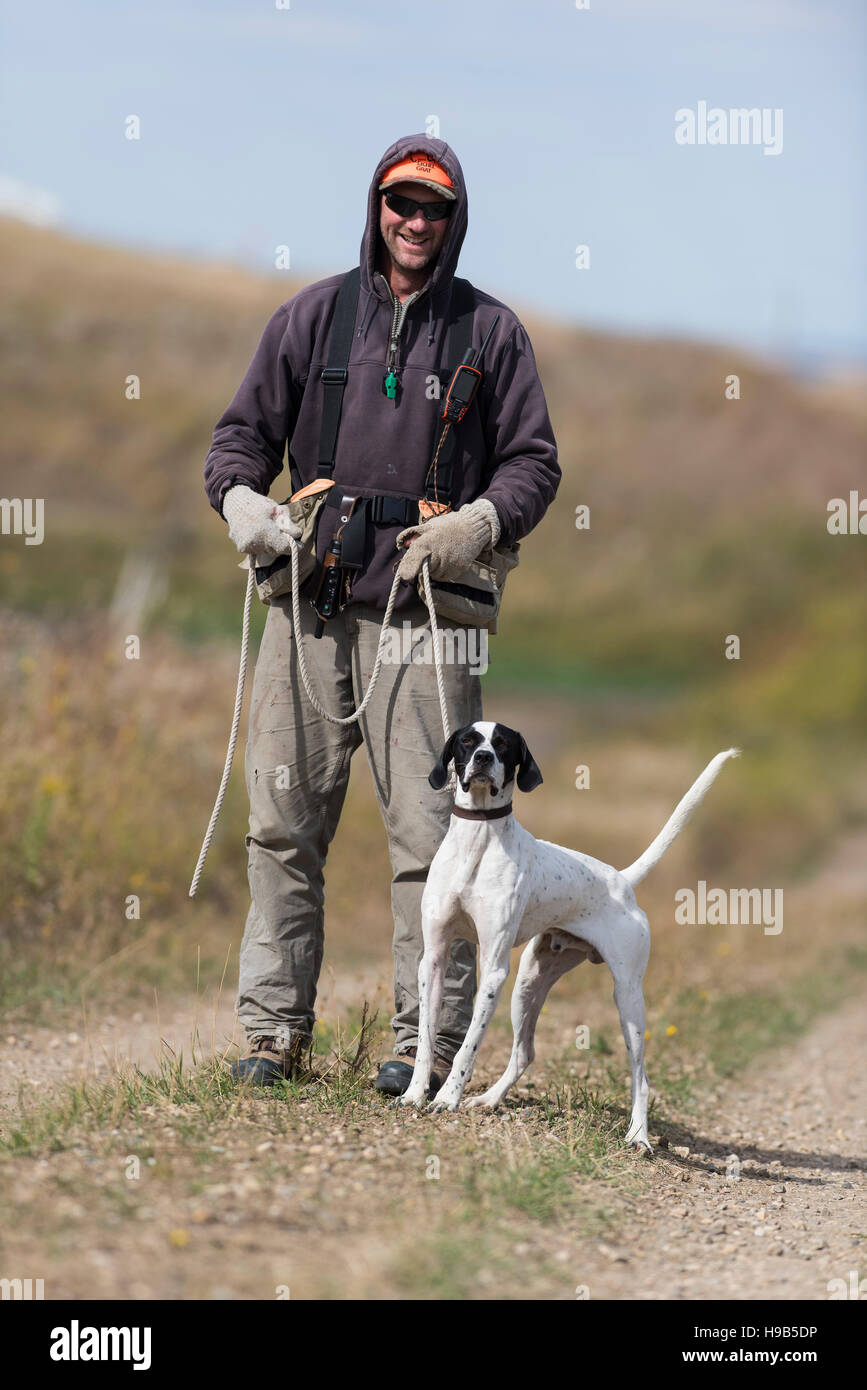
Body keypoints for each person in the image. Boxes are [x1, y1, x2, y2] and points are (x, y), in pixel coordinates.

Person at [204, 133, 559, 1094]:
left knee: (433, 845)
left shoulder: (492, 335)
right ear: (376, 206)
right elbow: (238, 439)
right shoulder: (310, 319)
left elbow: (534, 463)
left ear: (455, 221)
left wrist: (480, 521)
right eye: (401, 202)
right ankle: (273, 1033)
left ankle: (426, 1048)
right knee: (282, 827)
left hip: (429, 620)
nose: (414, 222)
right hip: (306, 610)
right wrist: (242, 503)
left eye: (434, 208)